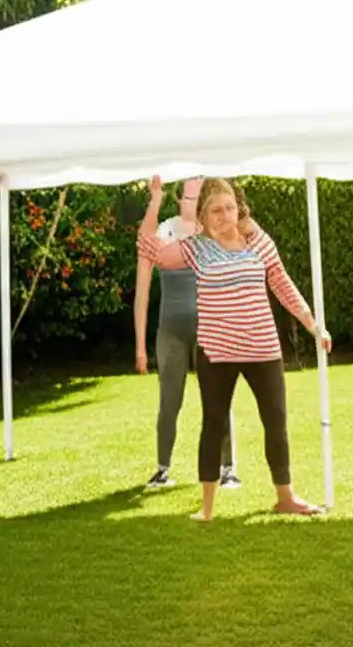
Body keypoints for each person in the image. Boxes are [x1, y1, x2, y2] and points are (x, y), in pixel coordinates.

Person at [137, 176, 329, 522]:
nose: (224, 215)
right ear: (204, 216)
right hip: (217, 352)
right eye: (216, 210)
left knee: (276, 422)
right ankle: (207, 508)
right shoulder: (194, 248)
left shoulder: (259, 242)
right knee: (213, 424)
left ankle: (285, 497)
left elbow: (282, 283)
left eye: (229, 207)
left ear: (239, 208)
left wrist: (313, 324)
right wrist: (155, 202)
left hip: (263, 350)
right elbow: (149, 249)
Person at [133, 177, 240, 490]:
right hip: (171, 332)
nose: (194, 203)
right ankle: (162, 469)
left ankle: (228, 469)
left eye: (199, 197)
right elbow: (141, 295)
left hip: (209, 330)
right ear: (178, 199)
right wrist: (140, 345)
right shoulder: (162, 232)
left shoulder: (212, 232)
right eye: (189, 196)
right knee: (169, 401)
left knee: (217, 399)